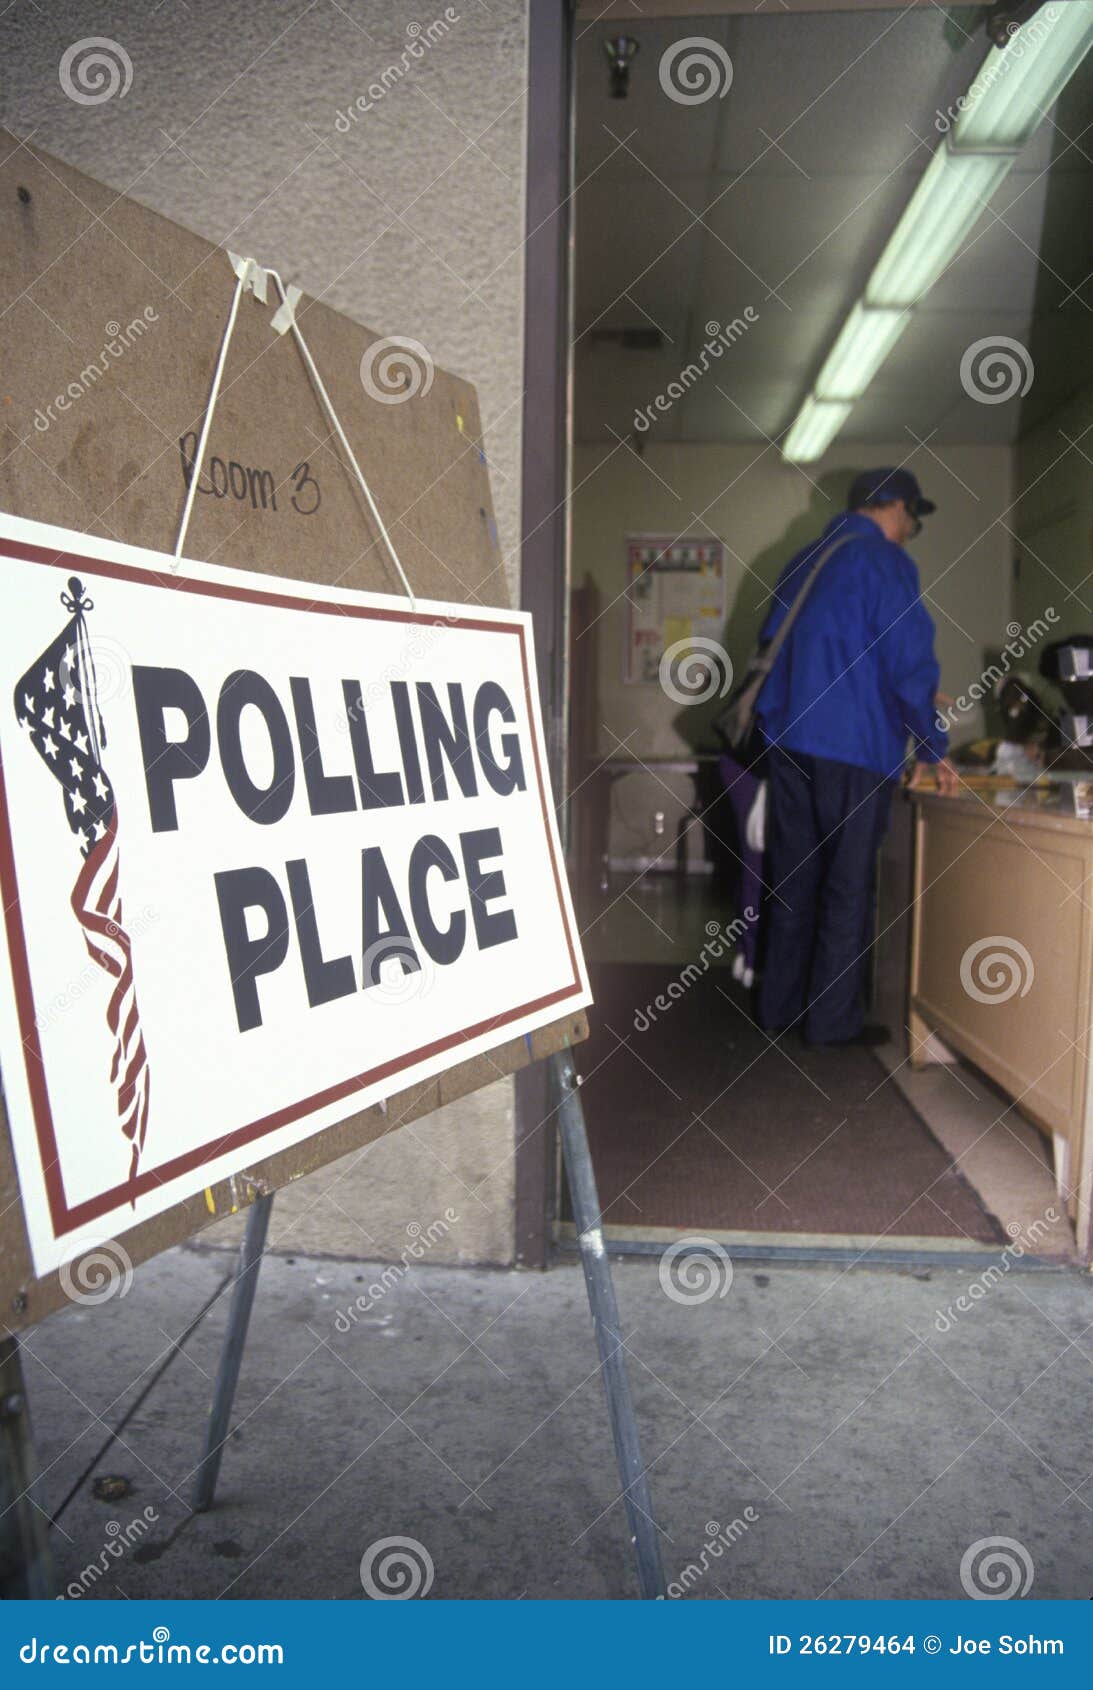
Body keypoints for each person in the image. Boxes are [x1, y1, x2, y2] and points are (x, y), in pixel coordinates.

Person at [754, 467, 959, 1047]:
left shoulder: (805, 558)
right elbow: (909, 666)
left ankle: (779, 1009)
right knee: (847, 886)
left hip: (791, 740)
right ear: (895, 507)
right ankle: (832, 1025)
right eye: (912, 519)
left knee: (794, 879)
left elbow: (780, 644)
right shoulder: (886, 565)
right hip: (855, 747)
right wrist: (933, 745)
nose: (910, 530)